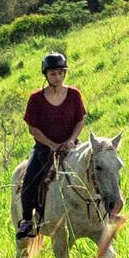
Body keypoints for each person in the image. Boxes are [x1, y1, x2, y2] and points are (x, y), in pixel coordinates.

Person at [17, 52, 86, 239]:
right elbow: (33, 128)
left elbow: (80, 120)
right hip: (43, 150)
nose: (57, 77)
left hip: (71, 147)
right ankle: (27, 221)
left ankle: (106, 213)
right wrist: (52, 144)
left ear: (64, 74)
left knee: (98, 169)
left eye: (60, 73)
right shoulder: (36, 98)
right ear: (45, 75)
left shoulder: (74, 94)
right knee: (29, 180)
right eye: (53, 73)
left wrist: (71, 140)